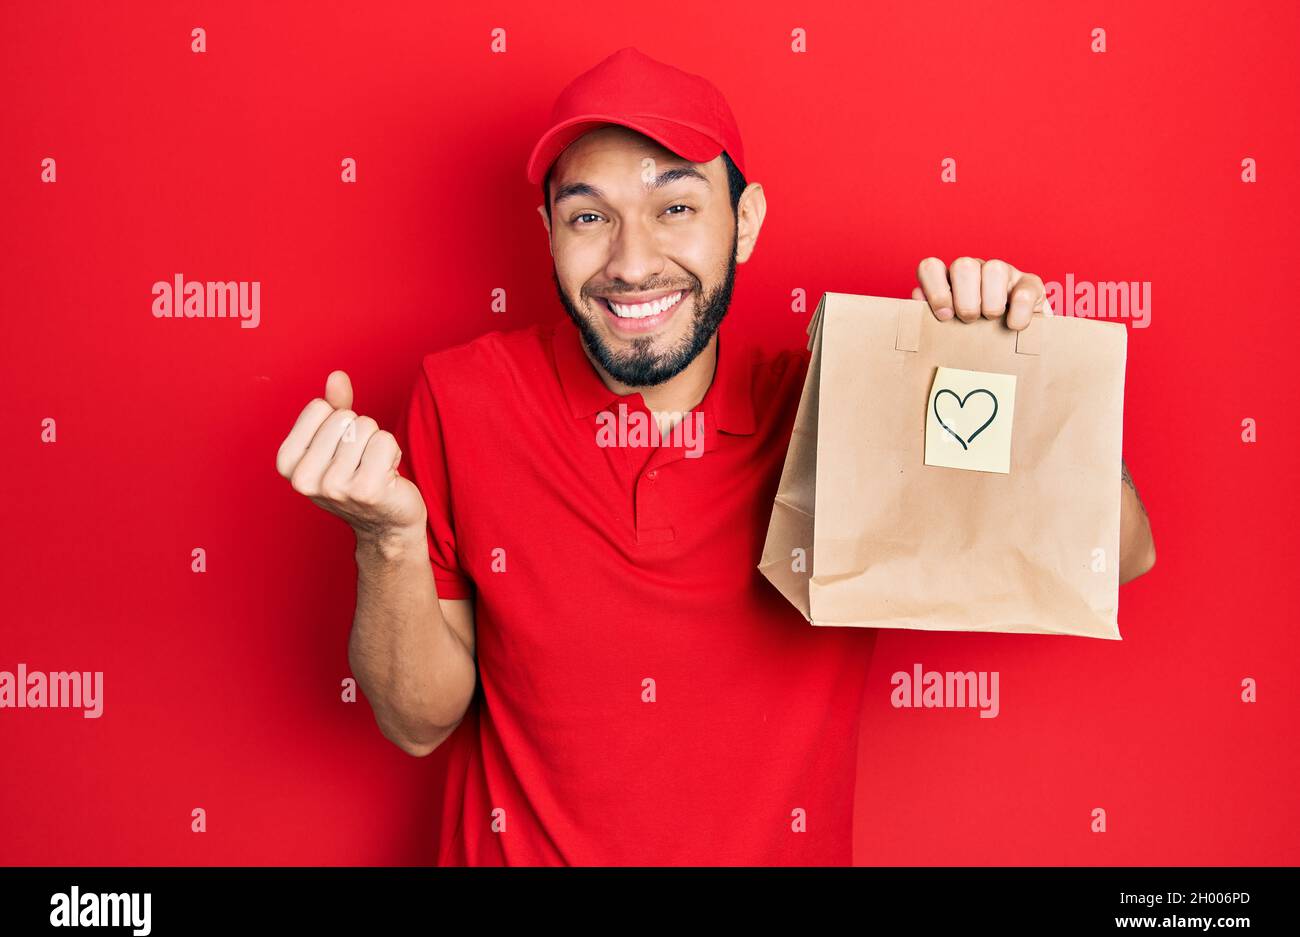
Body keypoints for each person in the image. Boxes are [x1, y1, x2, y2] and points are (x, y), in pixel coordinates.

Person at [274, 47, 1156, 866]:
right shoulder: (462, 397)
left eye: (677, 207)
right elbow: (418, 723)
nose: (631, 261)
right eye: (589, 216)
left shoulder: (838, 404)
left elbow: (1117, 552)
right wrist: (384, 542)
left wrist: (1006, 371)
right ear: (546, 230)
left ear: (746, 220)